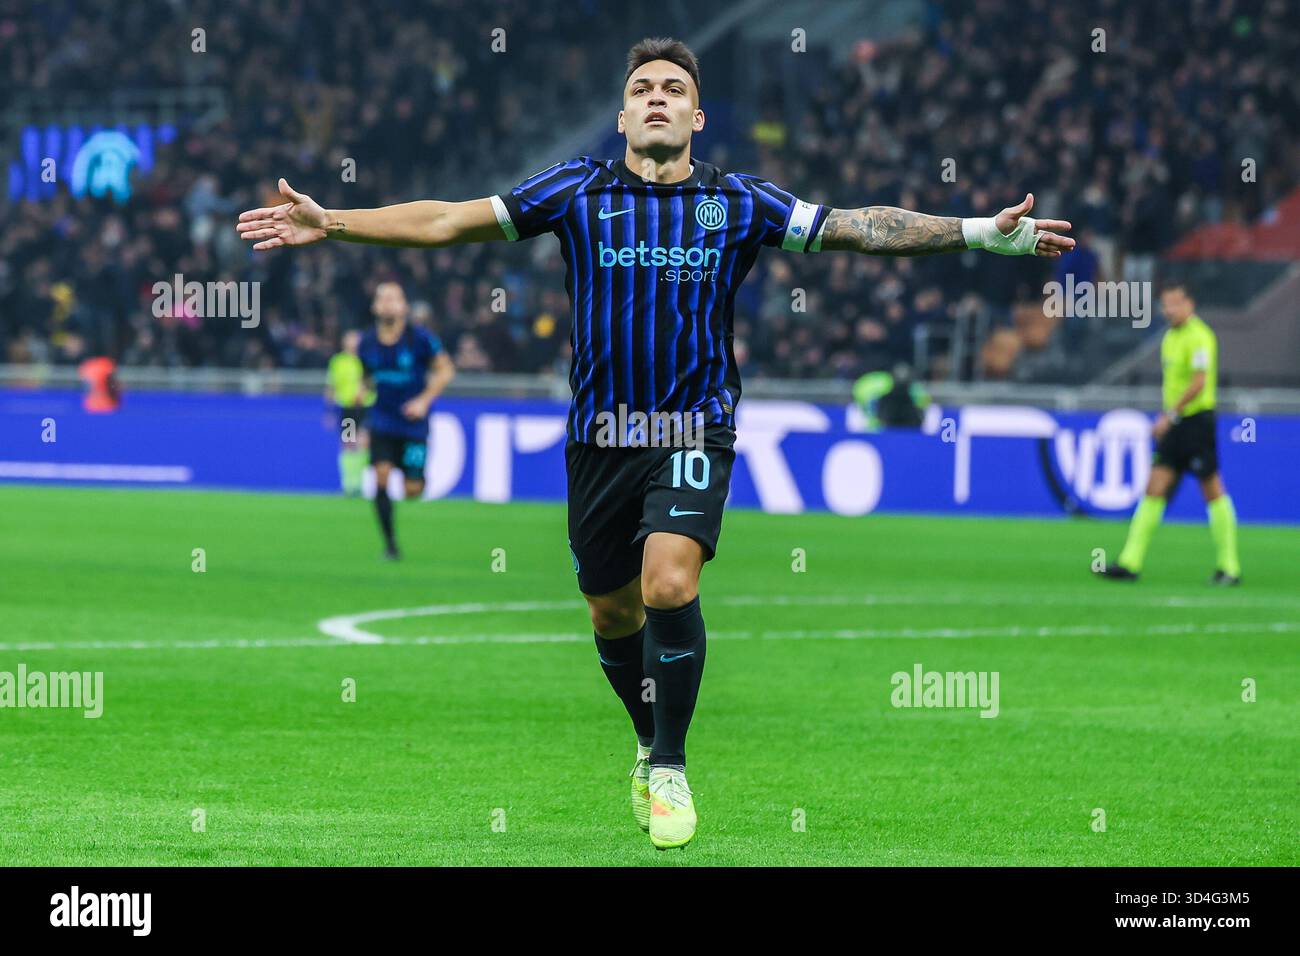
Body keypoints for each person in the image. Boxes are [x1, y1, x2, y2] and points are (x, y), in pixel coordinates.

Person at [236, 36, 1073, 849]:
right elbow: (451, 220)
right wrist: (335, 221)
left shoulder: (740, 201)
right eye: (643, 90)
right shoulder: (576, 191)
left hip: (693, 424)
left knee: (668, 584)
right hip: (601, 435)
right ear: (623, 116)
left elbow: (860, 226)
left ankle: (670, 764)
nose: (658, 98)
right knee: (612, 609)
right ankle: (646, 737)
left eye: (673, 89)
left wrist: (974, 230)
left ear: (698, 117)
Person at [1097, 282, 1240, 584]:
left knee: (1212, 489)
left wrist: (1169, 416)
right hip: (1175, 425)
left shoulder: (1201, 337)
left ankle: (1229, 567)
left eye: (1174, 303)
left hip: (1196, 422)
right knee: (1154, 487)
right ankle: (1130, 562)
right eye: (1165, 304)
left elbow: (1199, 382)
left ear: (1190, 303)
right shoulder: (1168, 338)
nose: (1169, 310)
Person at [357, 281, 455, 559]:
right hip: (382, 421)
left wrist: (424, 400)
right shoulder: (366, 342)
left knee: (412, 490)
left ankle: (412, 475)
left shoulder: (420, 339)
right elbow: (368, 377)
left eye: (394, 298)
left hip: (412, 425)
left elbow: (446, 369)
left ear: (404, 306)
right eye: (383, 297)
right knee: (381, 477)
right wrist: (362, 391)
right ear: (375, 306)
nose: (388, 302)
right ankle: (390, 545)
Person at [324, 329, 371, 496]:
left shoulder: (367, 359)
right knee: (348, 444)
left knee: (364, 442)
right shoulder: (338, 361)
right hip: (348, 409)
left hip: (366, 408)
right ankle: (349, 483)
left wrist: (365, 390)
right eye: (350, 339)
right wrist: (329, 411)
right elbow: (331, 386)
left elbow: (373, 381)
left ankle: (360, 482)